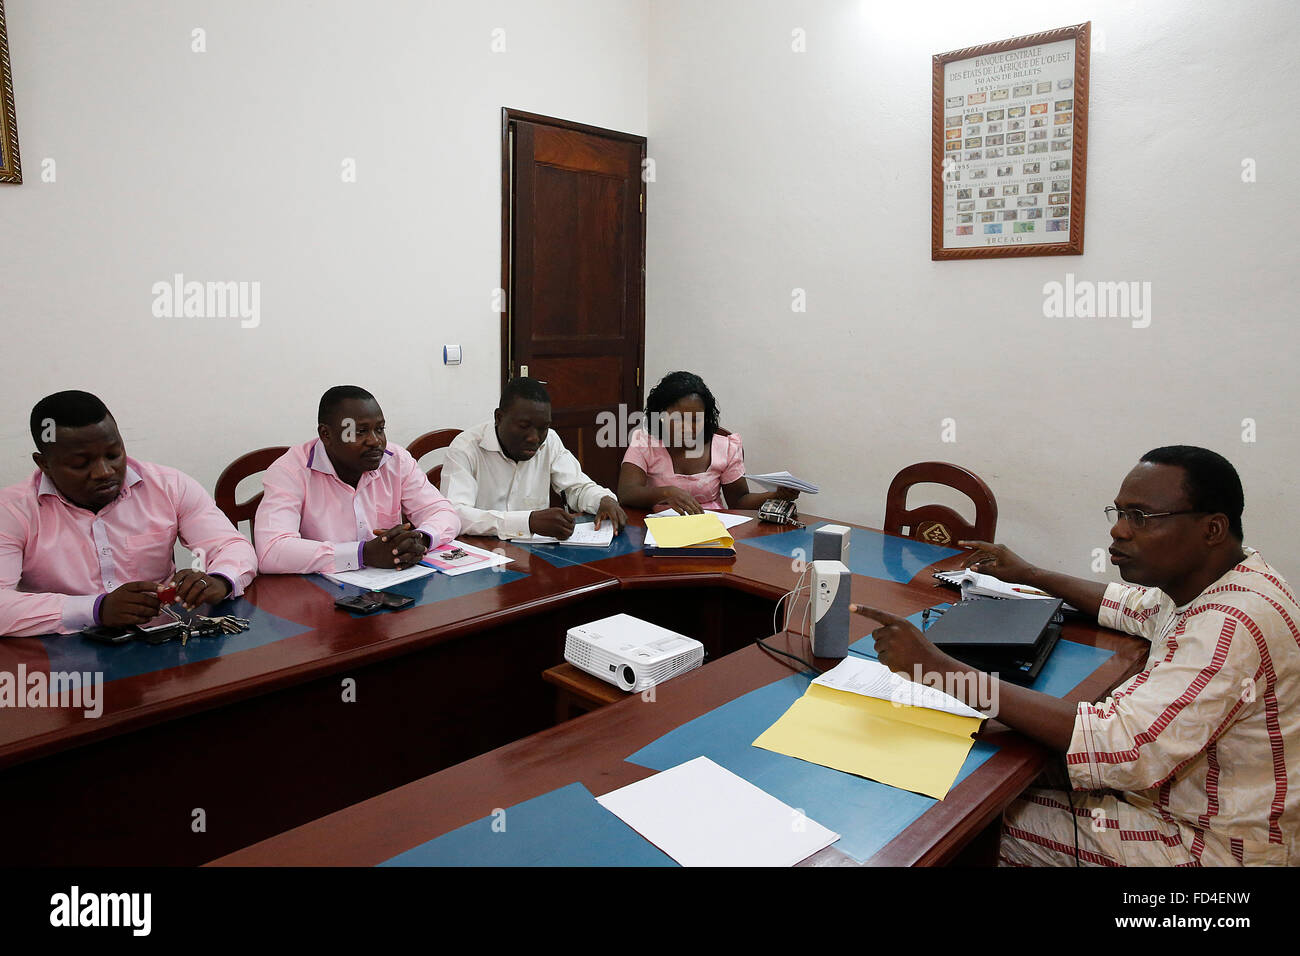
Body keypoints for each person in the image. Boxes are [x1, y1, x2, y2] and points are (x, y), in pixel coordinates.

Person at [851, 446, 1300, 865]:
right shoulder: (1228, 578)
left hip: (1214, 846)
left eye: (1141, 517)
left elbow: (1122, 748)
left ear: (1211, 529)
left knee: (969, 820)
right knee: (987, 759)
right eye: (1120, 513)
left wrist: (938, 669)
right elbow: (1128, 607)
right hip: (1178, 796)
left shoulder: (1230, 626)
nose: (1119, 529)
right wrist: (1030, 573)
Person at [0, 390, 258, 637]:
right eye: (81, 464)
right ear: (44, 464)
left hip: (163, 641)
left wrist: (219, 579)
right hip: (61, 654)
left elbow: (232, 546)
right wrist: (97, 609)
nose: (104, 471)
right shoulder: (12, 511)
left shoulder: (169, 486)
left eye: (113, 454)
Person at [255, 386, 460, 574]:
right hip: (320, 597)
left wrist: (419, 539)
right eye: (360, 432)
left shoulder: (395, 460)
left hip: (392, 586)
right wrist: (363, 554)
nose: (375, 441)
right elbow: (272, 550)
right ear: (326, 434)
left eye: (380, 429)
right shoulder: (290, 471)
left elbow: (443, 512)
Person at [440, 377, 625, 540]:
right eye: (524, 426)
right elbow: (456, 514)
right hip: (482, 555)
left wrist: (603, 499)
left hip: (536, 554)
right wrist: (527, 522)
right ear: (499, 417)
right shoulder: (465, 448)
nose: (534, 438)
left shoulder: (550, 440)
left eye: (542, 427)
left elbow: (576, 487)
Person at [617, 370, 798, 515]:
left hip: (711, 530)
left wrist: (775, 495)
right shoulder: (644, 444)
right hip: (657, 530)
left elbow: (740, 501)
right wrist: (667, 493)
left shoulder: (725, 448)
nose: (688, 427)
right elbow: (627, 493)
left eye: (696, 420)